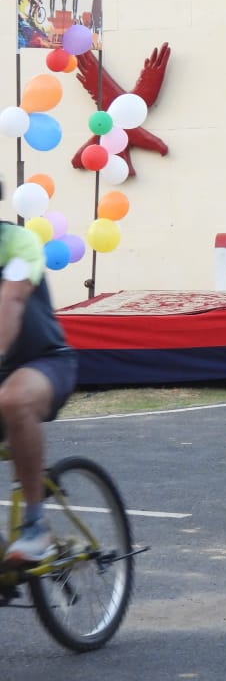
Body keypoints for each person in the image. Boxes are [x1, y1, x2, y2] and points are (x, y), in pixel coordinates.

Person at [0, 221, 79, 564]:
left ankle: (36, 526)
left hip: (45, 362)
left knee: (13, 399)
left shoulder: (18, 241)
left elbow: (11, 300)